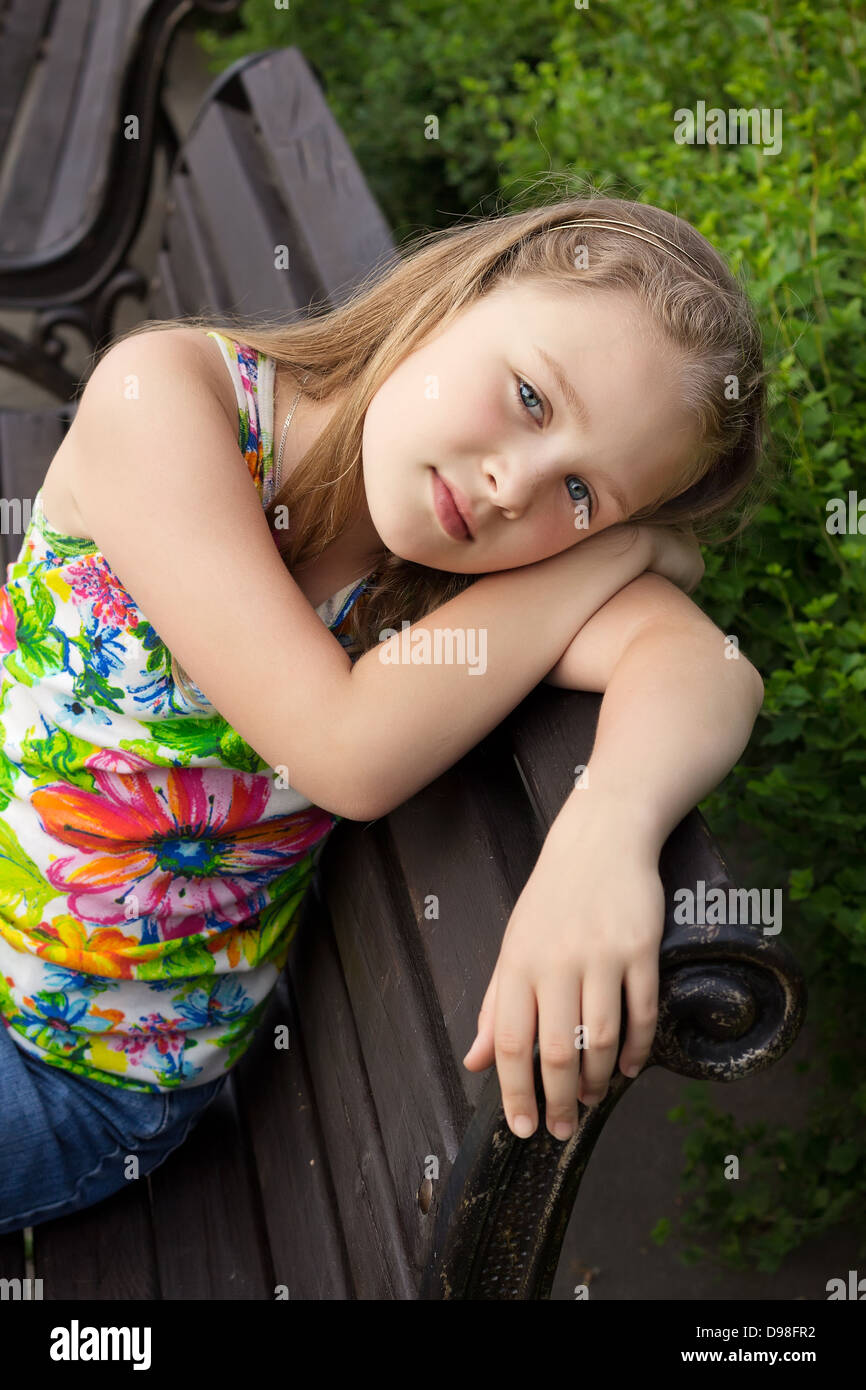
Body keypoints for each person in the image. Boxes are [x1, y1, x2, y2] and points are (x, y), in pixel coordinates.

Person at [0, 193, 768, 1233]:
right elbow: (342, 747)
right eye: (532, 400)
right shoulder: (166, 399)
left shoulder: (451, 592)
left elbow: (706, 666)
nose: (512, 486)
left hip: (64, 1068)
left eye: (583, 495)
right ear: (462, 293)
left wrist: (607, 830)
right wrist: (620, 548)